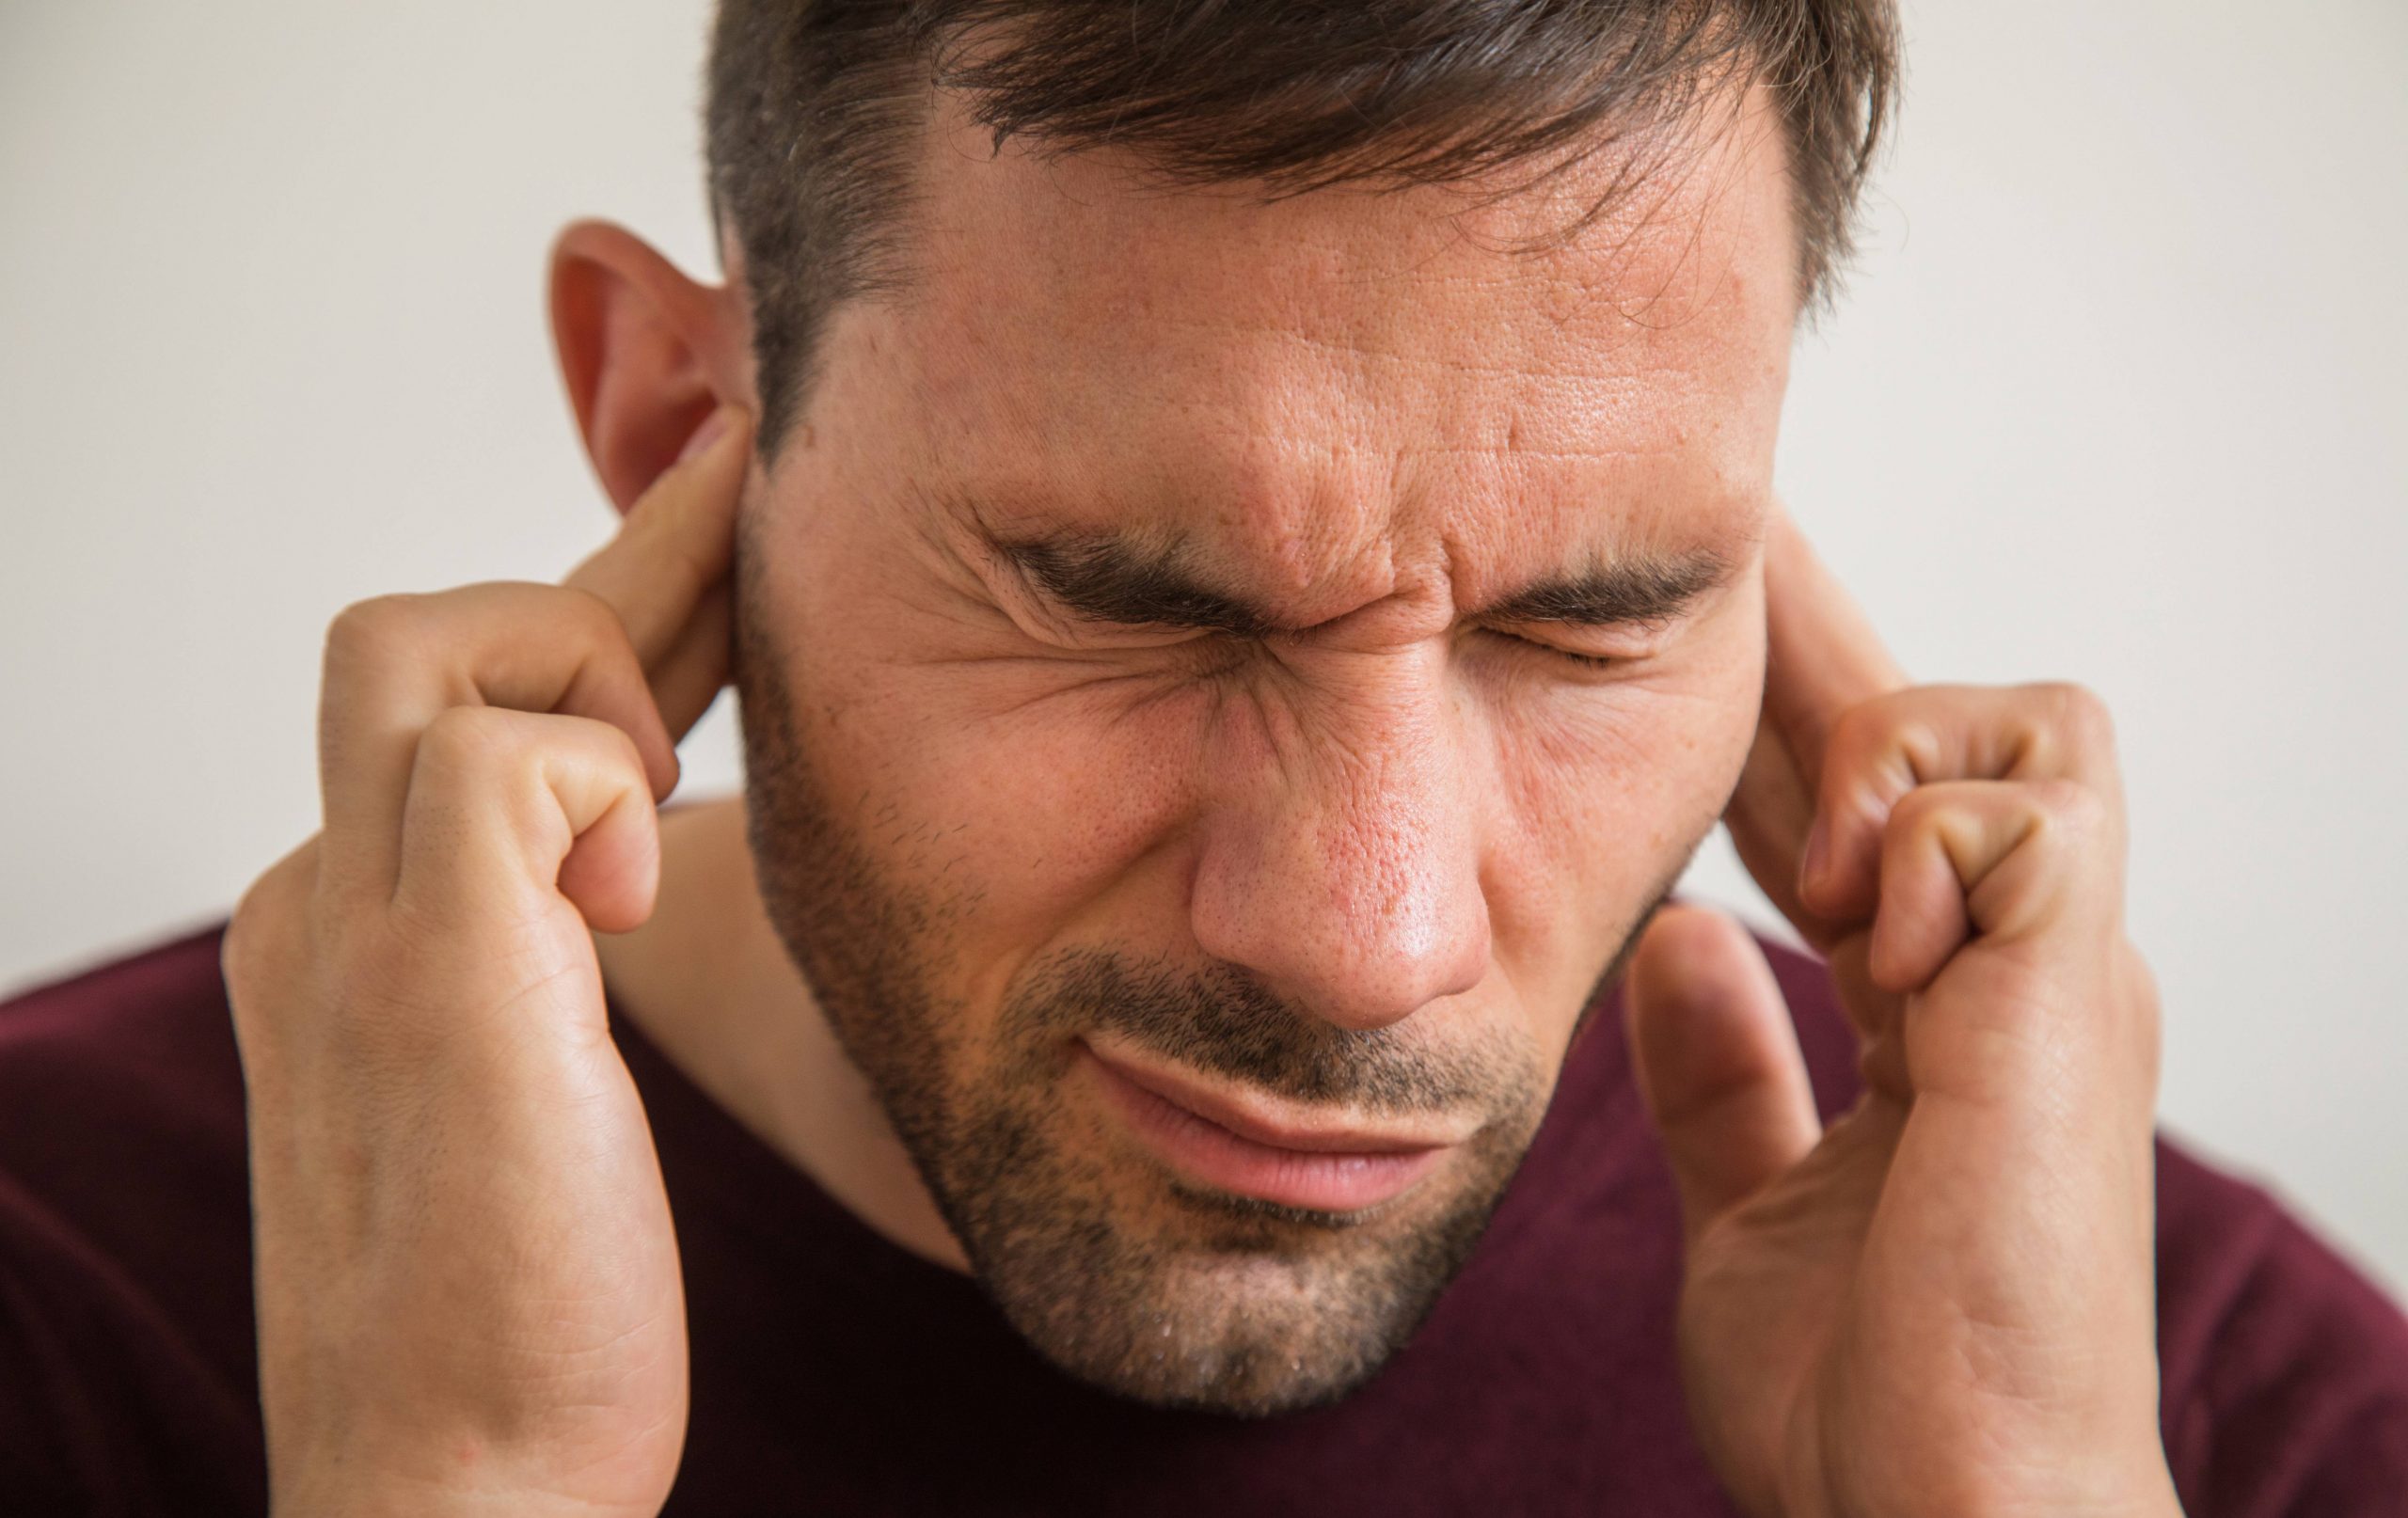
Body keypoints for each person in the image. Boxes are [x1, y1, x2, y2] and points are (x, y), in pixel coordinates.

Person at [5, 2, 2405, 1513]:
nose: (1367, 943)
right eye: (1125, 598)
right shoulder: (64, 1293)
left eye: (1586, 619)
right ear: (677, 430)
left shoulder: (2194, 1398)